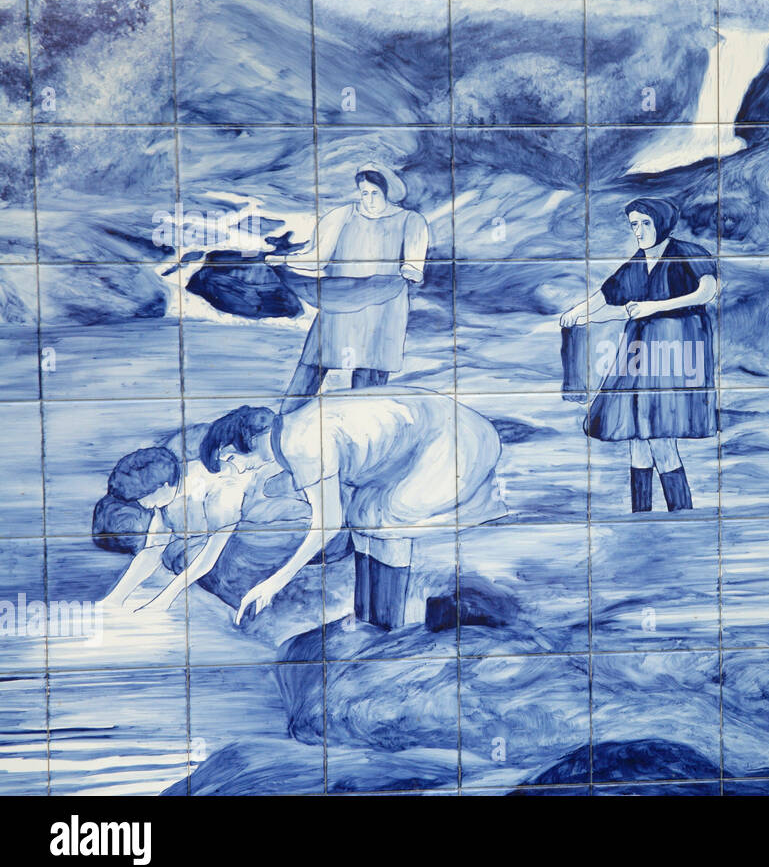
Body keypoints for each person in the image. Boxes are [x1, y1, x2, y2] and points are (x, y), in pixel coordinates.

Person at [201, 389, 507, 629]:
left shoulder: (300, 442)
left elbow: (328, 525)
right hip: (432, 438)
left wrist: (274, 582)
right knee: (363, 515)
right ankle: (369, 623)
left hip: (454, 442)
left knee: (388, 520)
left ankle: (386, 626)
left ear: (254, 439)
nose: (238, 470)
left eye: (232, 460)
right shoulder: (291, 431)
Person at [559, 197, 718, 513]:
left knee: (660, 439)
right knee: (637, 440)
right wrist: (578, 313)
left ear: (662, 223)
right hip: (640, 357)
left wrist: (654, 307)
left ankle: (681, 517)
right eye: (634, 224)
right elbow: (608, 299)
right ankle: (641, 518)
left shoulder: (686, 253)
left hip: (675, 356)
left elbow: (708, 291)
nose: (639, 231)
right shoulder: (635, 263)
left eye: (646, 223)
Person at [276, 162, 429, 411]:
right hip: (340, 303)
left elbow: (414, 265)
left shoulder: (411, 221)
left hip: (383, 309)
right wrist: (282, 261)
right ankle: (286, 420)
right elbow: (316, 256)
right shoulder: (342, 216)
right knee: (313, 363)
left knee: (369, 382)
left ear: (387, 191)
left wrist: (410, 271)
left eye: (374, 193)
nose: (368, 200)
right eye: (364, 193)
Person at [99, 447, 254, 611]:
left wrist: (163, 601)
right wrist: (114, 599)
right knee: (173, 553)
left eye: (143, 498)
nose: (142, 504)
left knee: (183, 556)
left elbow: (212, 551)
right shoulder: (166, 491)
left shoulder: (221, 485)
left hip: (243, 544)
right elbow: (153, 550)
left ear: (164, 486)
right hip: (208, 540)